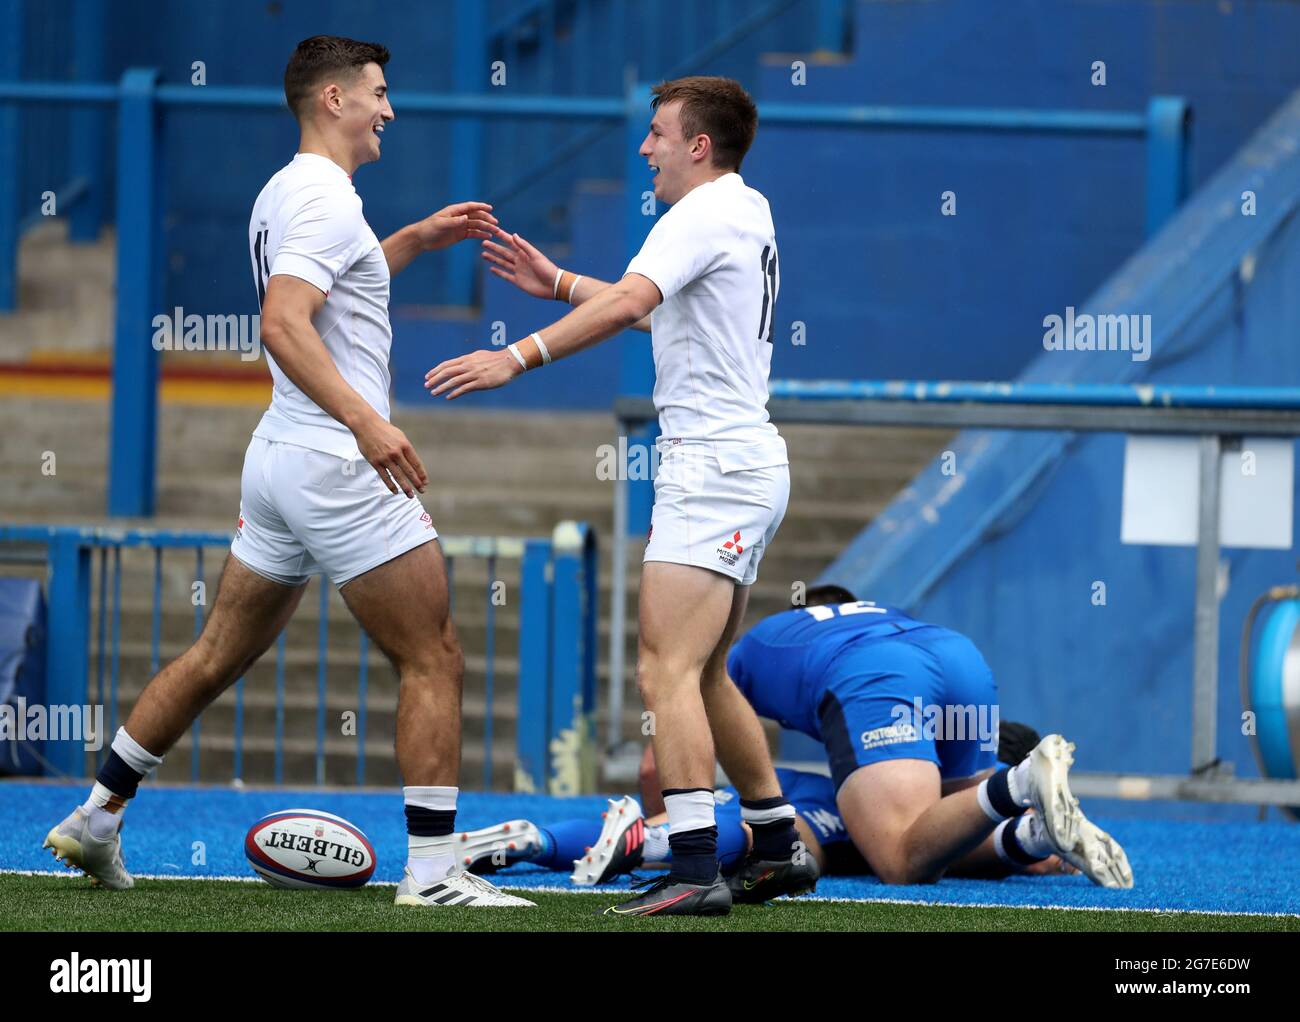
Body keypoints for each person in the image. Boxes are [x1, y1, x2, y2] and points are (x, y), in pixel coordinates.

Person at [42, 34, 532, 909]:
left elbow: (338, 285)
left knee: (218, 650)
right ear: (333, 99)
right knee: (435, 657)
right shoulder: (326, 201)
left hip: (278, 461)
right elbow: (283, 322)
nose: (390, 109)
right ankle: (433, 876)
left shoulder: (291, 192)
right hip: (334, 462)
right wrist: (366, 422)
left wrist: (416, 238)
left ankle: (97, 815)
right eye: (379, 93)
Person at [426, 76, 808, 917]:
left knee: (661, 668)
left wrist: (513, 357)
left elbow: (637, 301)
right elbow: (661, 316)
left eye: (658, 133)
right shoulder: (745, 208)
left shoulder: (699, 215)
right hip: (742, 463)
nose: (646, 149)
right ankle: (778, 844)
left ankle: (697, 868)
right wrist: (559, 280)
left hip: (711, 469)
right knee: (702, 672)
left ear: (698, 145)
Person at [449, 724, 1081, 891]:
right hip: (820, 808)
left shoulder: (910, 764)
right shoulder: (944, 795)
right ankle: (650, 842)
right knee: (793, 845)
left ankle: (537, 839)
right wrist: (1043, 850)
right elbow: (986, 846)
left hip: (777, 782)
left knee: (708, 817)